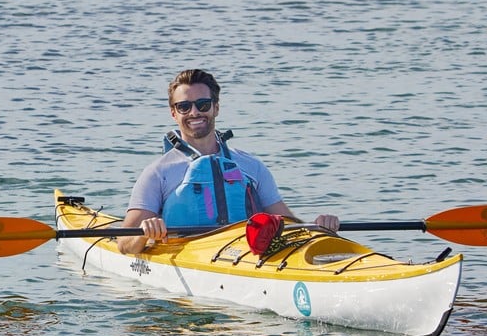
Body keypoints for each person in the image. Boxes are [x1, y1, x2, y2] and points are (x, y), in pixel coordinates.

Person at [116, 69, 339, 255]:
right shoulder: (158, 173)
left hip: (244, 255)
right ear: (174, 113)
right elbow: (124, 245)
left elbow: (288, 223)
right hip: (187, 256)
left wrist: (319, 227)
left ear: (216, 107)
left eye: (203, 104)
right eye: (184, 106)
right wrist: (146, 233)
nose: (194, 112)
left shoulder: (251, 167)